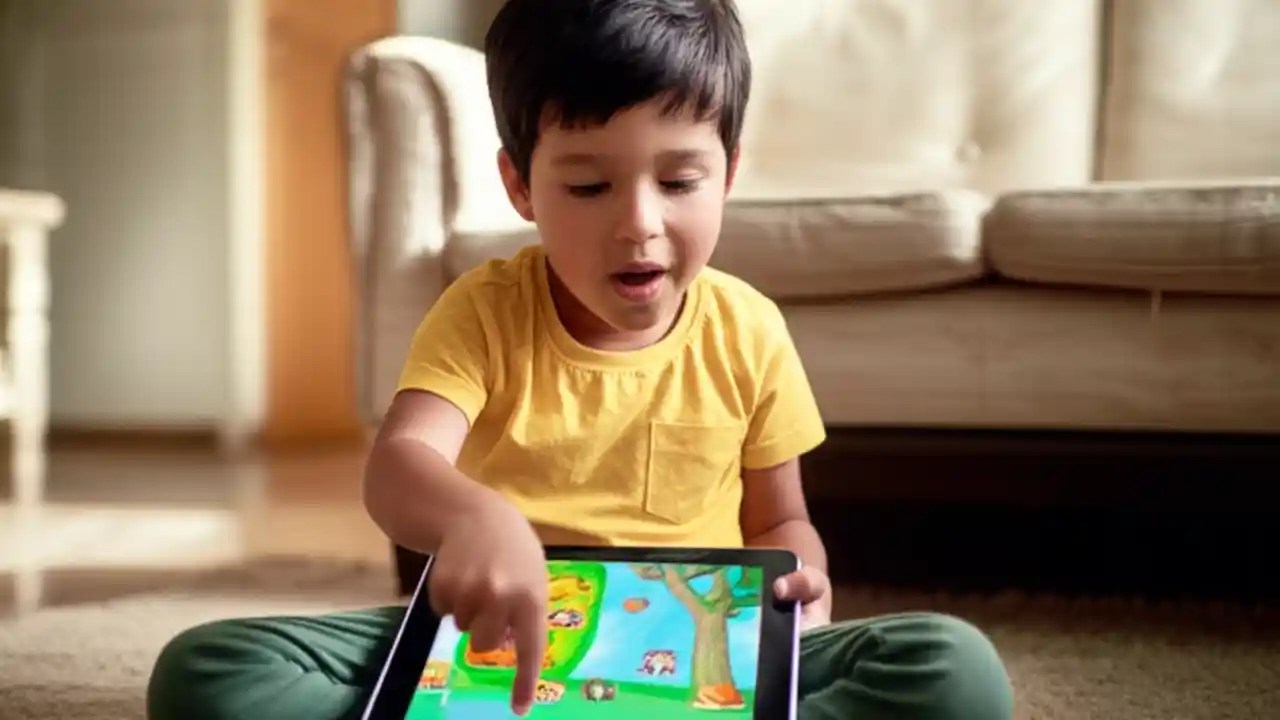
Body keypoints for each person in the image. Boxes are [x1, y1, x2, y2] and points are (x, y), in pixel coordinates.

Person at [146, 1, 1014, 718]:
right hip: (492, 653)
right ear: (520, 184)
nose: (638, 222)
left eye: (678, 182)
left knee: (953, 669)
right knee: (209, 671)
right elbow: (398, 467)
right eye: (589, 186)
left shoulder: (748, 328)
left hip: (704, 665)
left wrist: (803, 579)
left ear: (729, 171)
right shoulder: (484, 311)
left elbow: (779, 521)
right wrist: (473, 521)